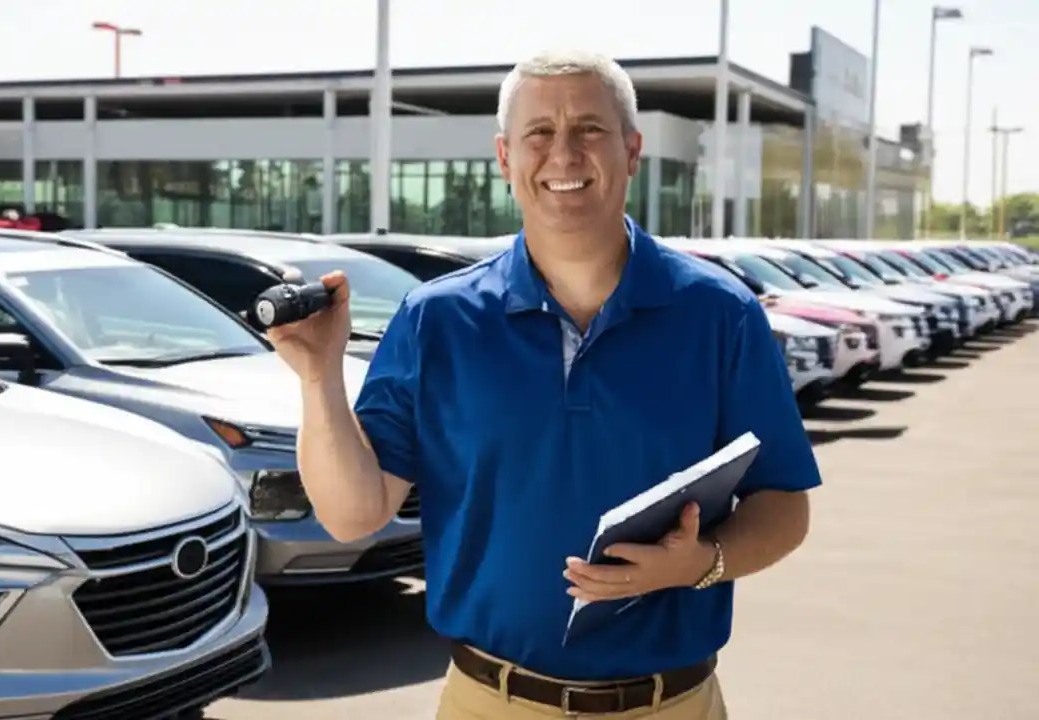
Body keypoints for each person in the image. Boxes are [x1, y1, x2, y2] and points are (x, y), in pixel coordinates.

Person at [267, 49, 822, 719]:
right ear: (505, 158)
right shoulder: (437, 321)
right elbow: (353, 513)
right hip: (491, 703)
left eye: (589, 128)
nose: (564, 154)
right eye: (539, 132)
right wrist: (319, 378)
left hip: (672, 704)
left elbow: (783, 505)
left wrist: (702, 561)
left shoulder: (720, 315)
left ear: (631, 151)